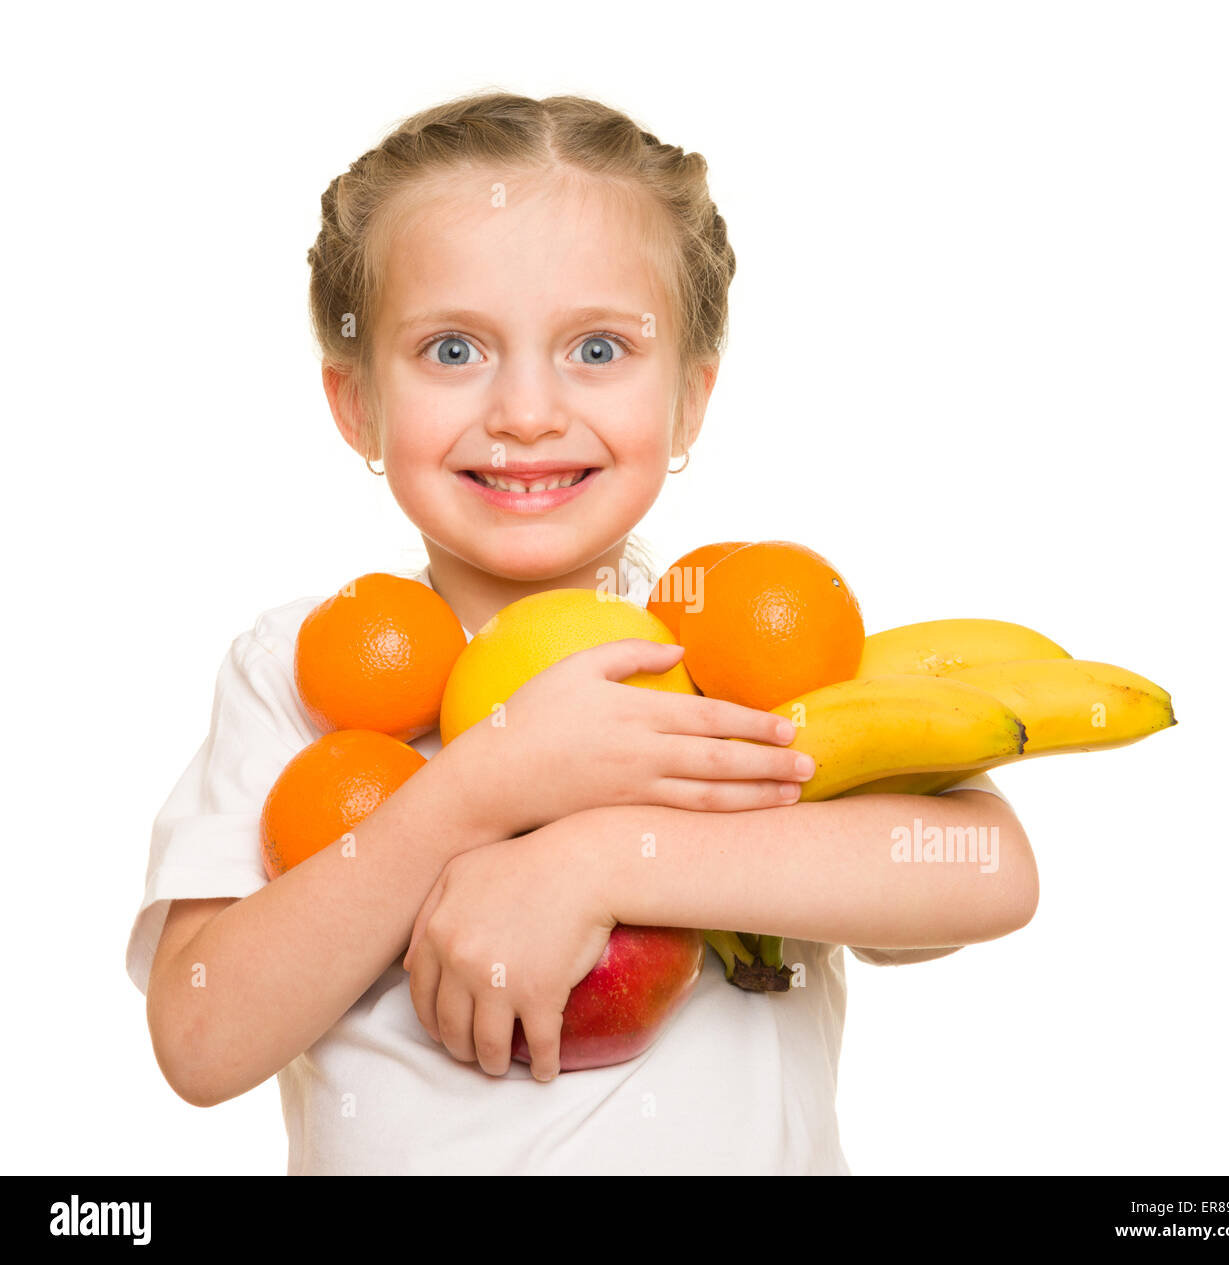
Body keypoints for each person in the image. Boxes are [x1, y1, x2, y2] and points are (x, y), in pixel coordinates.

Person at [126, 90, 1038, 1176]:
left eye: (597, 348)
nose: (525, 411)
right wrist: (475, 793)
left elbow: (985, 866)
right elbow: (199, 1035)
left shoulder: (738, 648)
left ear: (689, 397)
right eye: (453, 348)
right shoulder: (299, 669)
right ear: (355, 400)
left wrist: (600, 857)